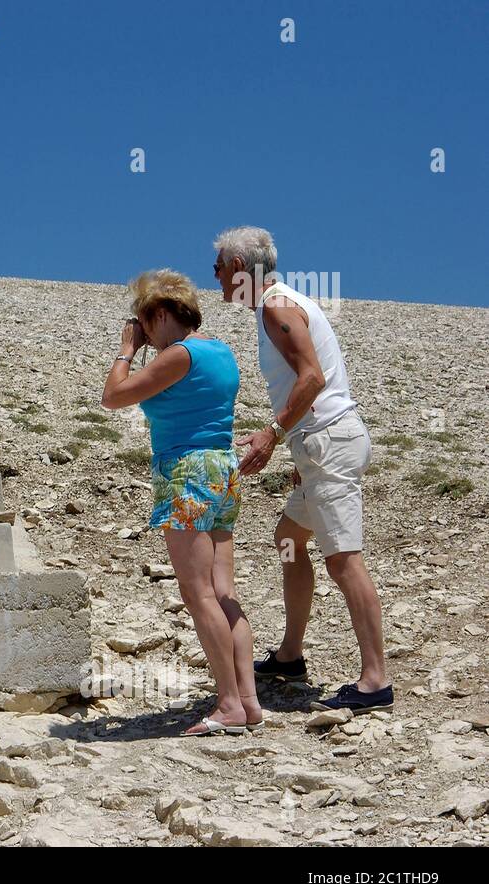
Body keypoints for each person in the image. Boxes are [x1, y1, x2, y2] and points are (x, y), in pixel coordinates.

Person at [213, 226, 391, 713]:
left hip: (327, 443)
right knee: (290, 537)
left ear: (238, 269)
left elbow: (312, 378)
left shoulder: (275, 306)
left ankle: (375, 679)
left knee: (343, 559)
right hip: (318, 446)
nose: (215, 276)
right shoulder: (279, 302)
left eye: (219, 267)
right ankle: (291, 655)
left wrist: (272, 434)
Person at [103, 270, 260, 735]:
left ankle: (228, 703)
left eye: (145, 321)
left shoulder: (179, 355)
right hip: (222, 470)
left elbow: (113, 396)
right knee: (224, 591)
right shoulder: (221, 352)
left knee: (198, 594)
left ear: (163, 314)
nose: (143, 330)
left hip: (187, 473)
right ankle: (248, 701)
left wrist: (126, 350)